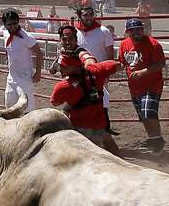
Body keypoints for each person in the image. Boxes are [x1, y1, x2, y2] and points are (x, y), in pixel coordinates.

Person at [50, 24, 121, 155]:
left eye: (70, 39)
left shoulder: (79, 52)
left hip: (86, 92)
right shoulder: (65, 51)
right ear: (60, 40)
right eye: (64, 39)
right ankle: (118, 158)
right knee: (102, 132)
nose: (67, 42)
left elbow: (88, 59)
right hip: (86, 91)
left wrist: (86, 69)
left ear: (76, 40)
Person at [117, 17, 166, 153]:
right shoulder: (124, 44)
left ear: (142, 30)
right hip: (134, 86)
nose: (136, 33)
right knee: (143, 115)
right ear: (127, 32)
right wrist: (107, 69)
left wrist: (143, 72)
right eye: (132, 30)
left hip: (152, 84)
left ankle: (158, 139)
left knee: (148, 111)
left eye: (138, 30)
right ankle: (153, 140)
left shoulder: (153, 44)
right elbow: (122, 62)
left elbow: (161, 64)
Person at [1, 9, 43, 111]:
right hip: (11, 78)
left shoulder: (27, 37)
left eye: (15, 23)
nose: (13, 26)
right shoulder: (5, 34)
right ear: (5, 24)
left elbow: (39, 53)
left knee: (26, 109)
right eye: (10, 24)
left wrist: (38, 72)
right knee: (9, 107)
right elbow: (8, 50)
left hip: (25, 79)